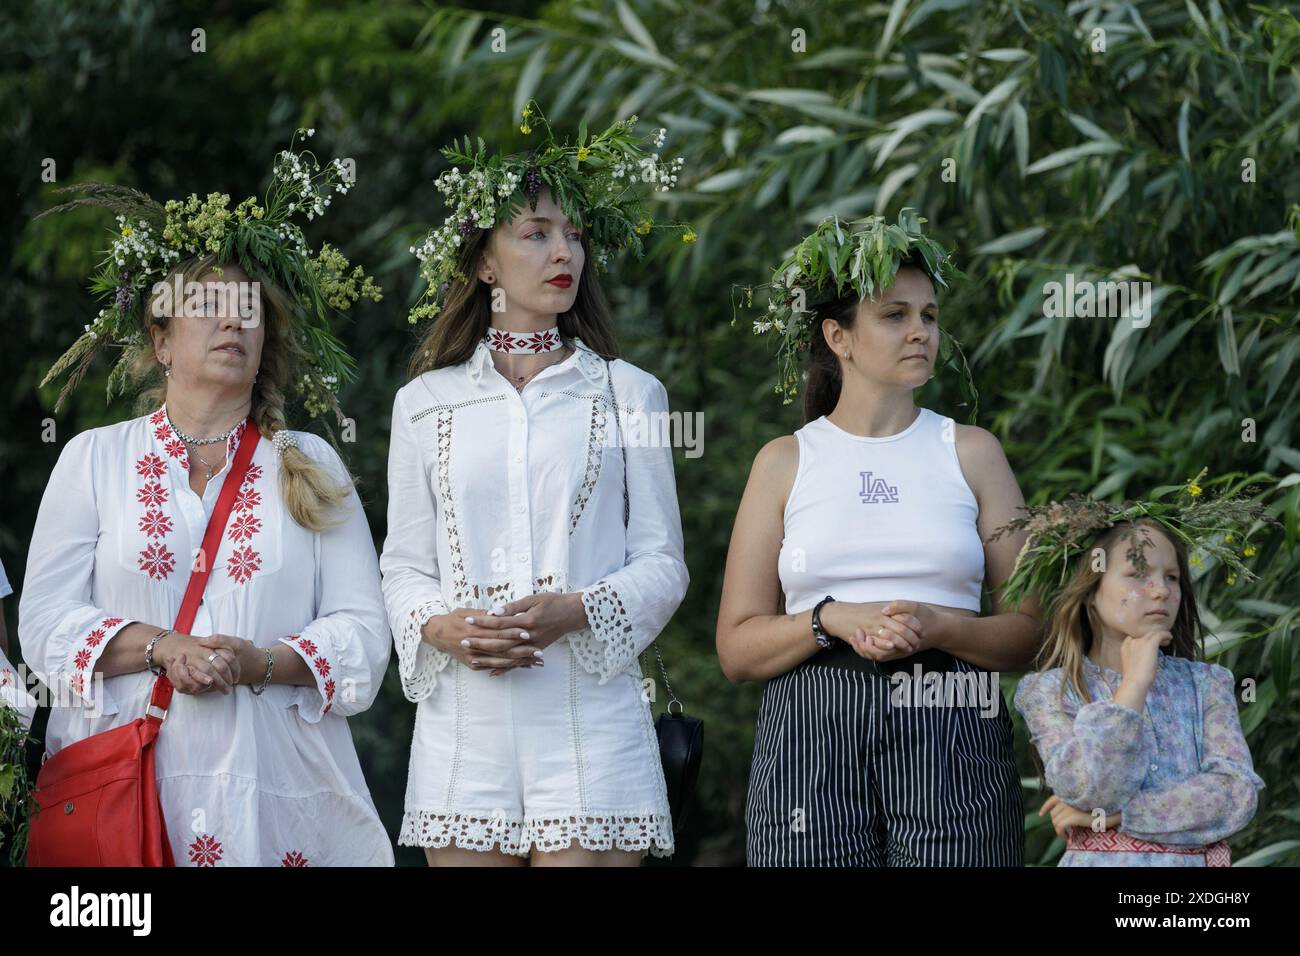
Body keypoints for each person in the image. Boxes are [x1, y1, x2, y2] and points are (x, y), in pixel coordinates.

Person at [21, 133, 393, 866]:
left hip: (283, 799)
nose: (234, 321)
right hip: (129, 792)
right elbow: (43, 624)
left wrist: (260, 661)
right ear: (161, 339)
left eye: (249, 310)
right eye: (211, 306)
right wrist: (162, 649)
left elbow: (364, 638)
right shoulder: (94, 458)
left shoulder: (309, 462)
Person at [382, 103, 692, 865]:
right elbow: (403, 563)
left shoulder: (631, 393)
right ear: (486, 262)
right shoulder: (425, 403)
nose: (565, 252)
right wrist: (438, 625)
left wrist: (578, 609)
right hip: (464, 728)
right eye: (537, 233)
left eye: (574, 235)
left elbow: (663, 563)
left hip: (591, 722)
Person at [717, 210, 1040, 866]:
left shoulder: (973, 453)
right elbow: (736, 649)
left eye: (929, 315)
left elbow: (1031, 632)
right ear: (839, 336)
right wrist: (831, 618)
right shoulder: (784, 461)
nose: (920, 331)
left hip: (953, 720)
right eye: (895, 315)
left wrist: (936, 625)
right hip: (810, 729)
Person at [1005, 495, 1269, 866]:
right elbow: (1091, 791)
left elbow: (1235, 795)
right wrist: (1133, 687)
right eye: (1138, 574)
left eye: (1172, 578)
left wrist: (1122, 818)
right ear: (1090, 590)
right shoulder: (1050, 691)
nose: (1161, 590)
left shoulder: (1207, 684)